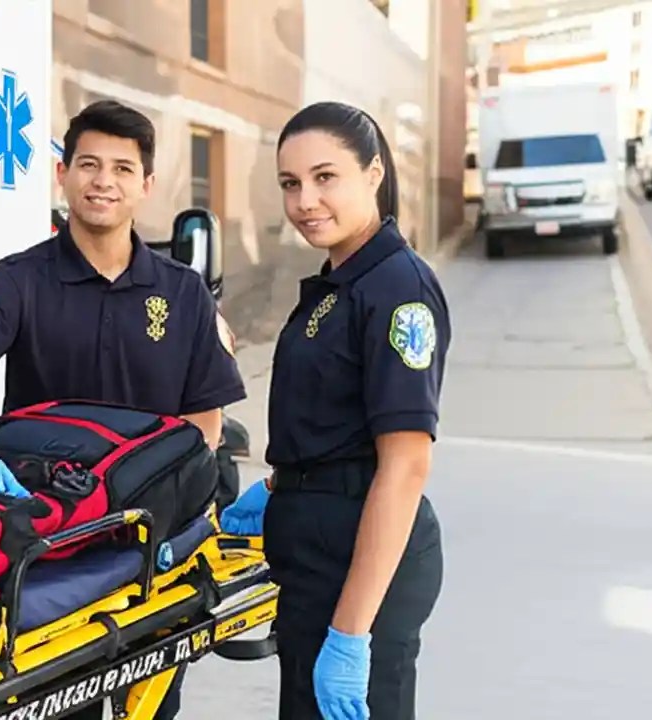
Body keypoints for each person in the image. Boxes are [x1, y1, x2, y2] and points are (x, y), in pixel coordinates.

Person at [0, 99, 247, 718]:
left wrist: (179, 498)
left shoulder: (180, 291)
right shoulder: (19, 280)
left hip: (150, 542)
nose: (105, 181)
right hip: (50, 544)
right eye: (90, 164)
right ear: (63, 174)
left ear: (146, 186)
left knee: (149, 706)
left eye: (124, 169)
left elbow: (206, 417)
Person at [219, 101, 447, 720]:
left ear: (373, 174)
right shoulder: (339, 283)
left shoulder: (398, 288)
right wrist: (278, 486)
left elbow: (404, 467)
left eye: (326, 177)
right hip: (315, 549)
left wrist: (350, 636)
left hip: (360, 563)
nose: (305, 201)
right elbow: (335, 421)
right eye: (290, 184)